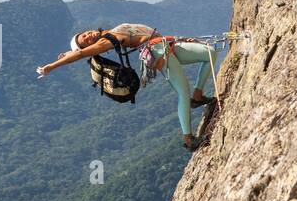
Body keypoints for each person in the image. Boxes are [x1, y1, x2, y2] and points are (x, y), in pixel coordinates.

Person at [37, 24, 218, 149]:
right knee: (182, 92)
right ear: (92, 46)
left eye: (84, 34)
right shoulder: (104, 42)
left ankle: (198, 95)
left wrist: (71, 51)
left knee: (210, 52)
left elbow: (78, 51)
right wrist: (51, 66)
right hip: (158, 52)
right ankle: (188, 139)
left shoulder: (108, 32)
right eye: (86, 40)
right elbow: (81, 54)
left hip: (167, 44)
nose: (88, 36)